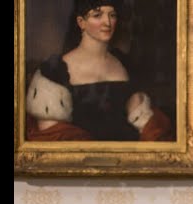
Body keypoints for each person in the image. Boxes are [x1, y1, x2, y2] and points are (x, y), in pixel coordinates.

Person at [26, 1, 174, 141]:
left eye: (112, 15)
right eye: (97, 15)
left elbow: (148, 127)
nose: (107, 23)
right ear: (81, 22)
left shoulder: (125, 63)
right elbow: (53, 136)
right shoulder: (55, 71)